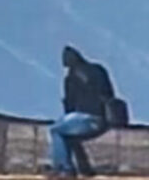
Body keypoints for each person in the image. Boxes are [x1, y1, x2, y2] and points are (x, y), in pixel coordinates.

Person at [45, 46, 118, 177]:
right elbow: (109, 93)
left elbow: (70, 104)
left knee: (56, 130)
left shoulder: (71, 78)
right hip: (104, 119)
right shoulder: (98, 70)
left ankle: (63, 169)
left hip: (88, 119)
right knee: (68, 135)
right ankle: (84, 169)